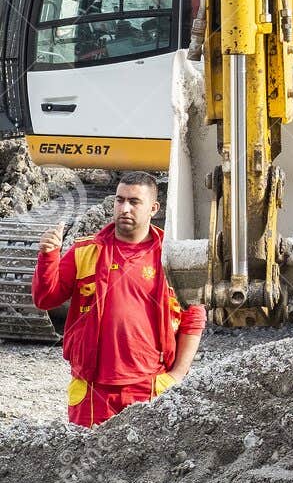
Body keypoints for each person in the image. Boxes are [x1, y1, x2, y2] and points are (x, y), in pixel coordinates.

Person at [31, 172, 205, 427]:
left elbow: (193, 317)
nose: (124, 208)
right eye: (119, 200)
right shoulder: (86, 251)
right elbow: (45, 298)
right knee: (87, 459)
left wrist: (177, 375)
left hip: (149, 387)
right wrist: (48, 256)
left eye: (134, 202)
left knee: (144, 462)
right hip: (92, 390)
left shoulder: (172, 257)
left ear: (153, 208)